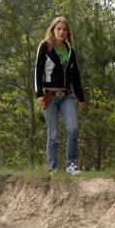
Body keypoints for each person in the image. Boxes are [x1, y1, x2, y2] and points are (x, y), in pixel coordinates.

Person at [34, 17, 86, 175]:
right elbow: (37, 71)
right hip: (49, 95)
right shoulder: (45, 47)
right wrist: (39, 94)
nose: (62, 32)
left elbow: (75, 75)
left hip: (67, 96)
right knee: (54, 134)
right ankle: (53, 168)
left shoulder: (70, 50)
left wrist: (81, 97)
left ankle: (71, 164)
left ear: (67, 32)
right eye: (59, 29)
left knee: (73, 128)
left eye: (64, 29)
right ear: (53, 30)